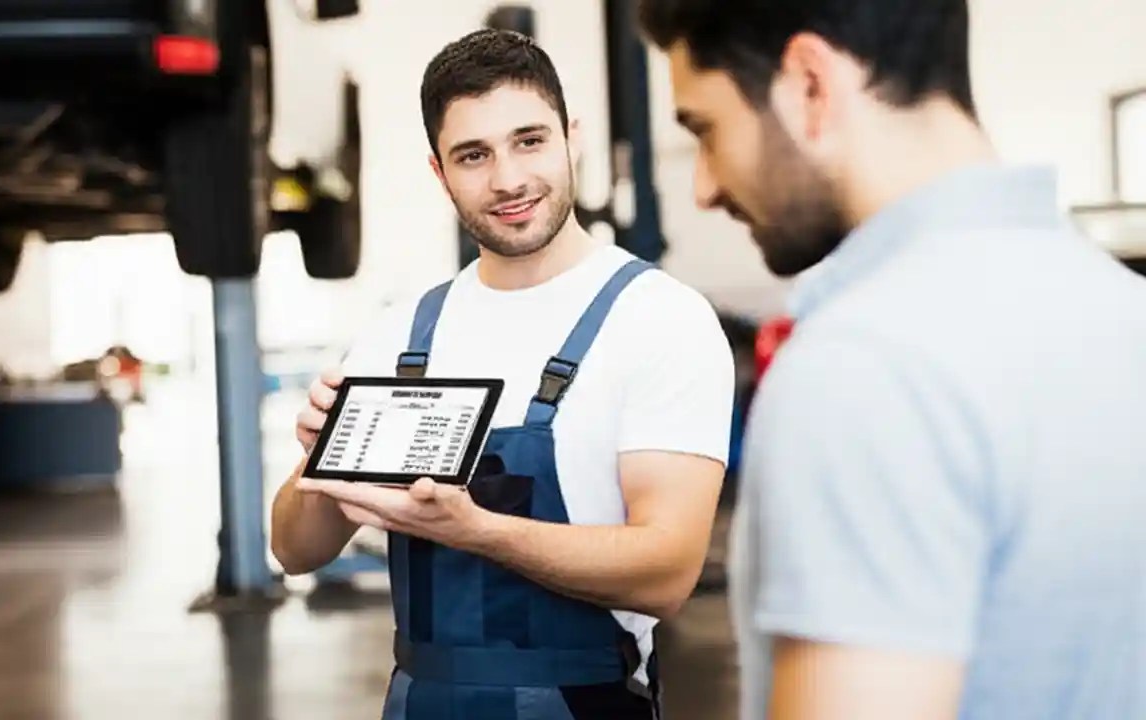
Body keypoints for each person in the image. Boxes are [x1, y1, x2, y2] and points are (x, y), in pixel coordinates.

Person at [639, 1, 1146, 718]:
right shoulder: (1126, 312)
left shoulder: (858, 372)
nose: (707, 186)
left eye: (707, 131)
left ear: (810, 84)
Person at [270, 28, 735, 719]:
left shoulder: (660, 320)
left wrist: (476, 529)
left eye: (529, 140)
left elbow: (666, 572)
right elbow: (295, 551)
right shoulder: (399, 336)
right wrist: (319, 470)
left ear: (570, 136)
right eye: (473, 155)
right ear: (440, 172)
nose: (508, 179)